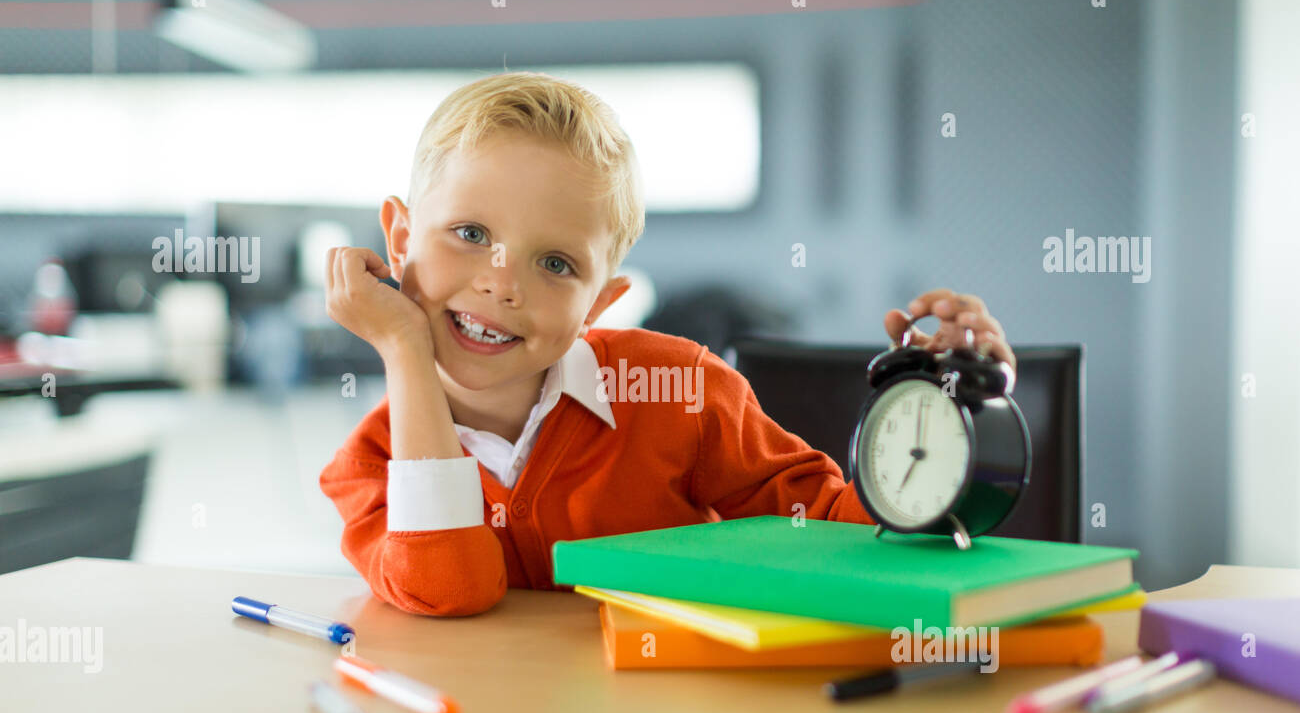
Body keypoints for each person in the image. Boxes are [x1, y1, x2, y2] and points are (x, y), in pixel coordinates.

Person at [320, 72, 1015, 617]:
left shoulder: (682, 393)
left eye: (555, 263)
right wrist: (404, 351)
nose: (502, 285)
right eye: (470, 234)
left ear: (601, 302)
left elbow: (844, 534)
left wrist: (950, 410)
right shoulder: (375, 465)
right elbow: (449, 587)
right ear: (402, 238)